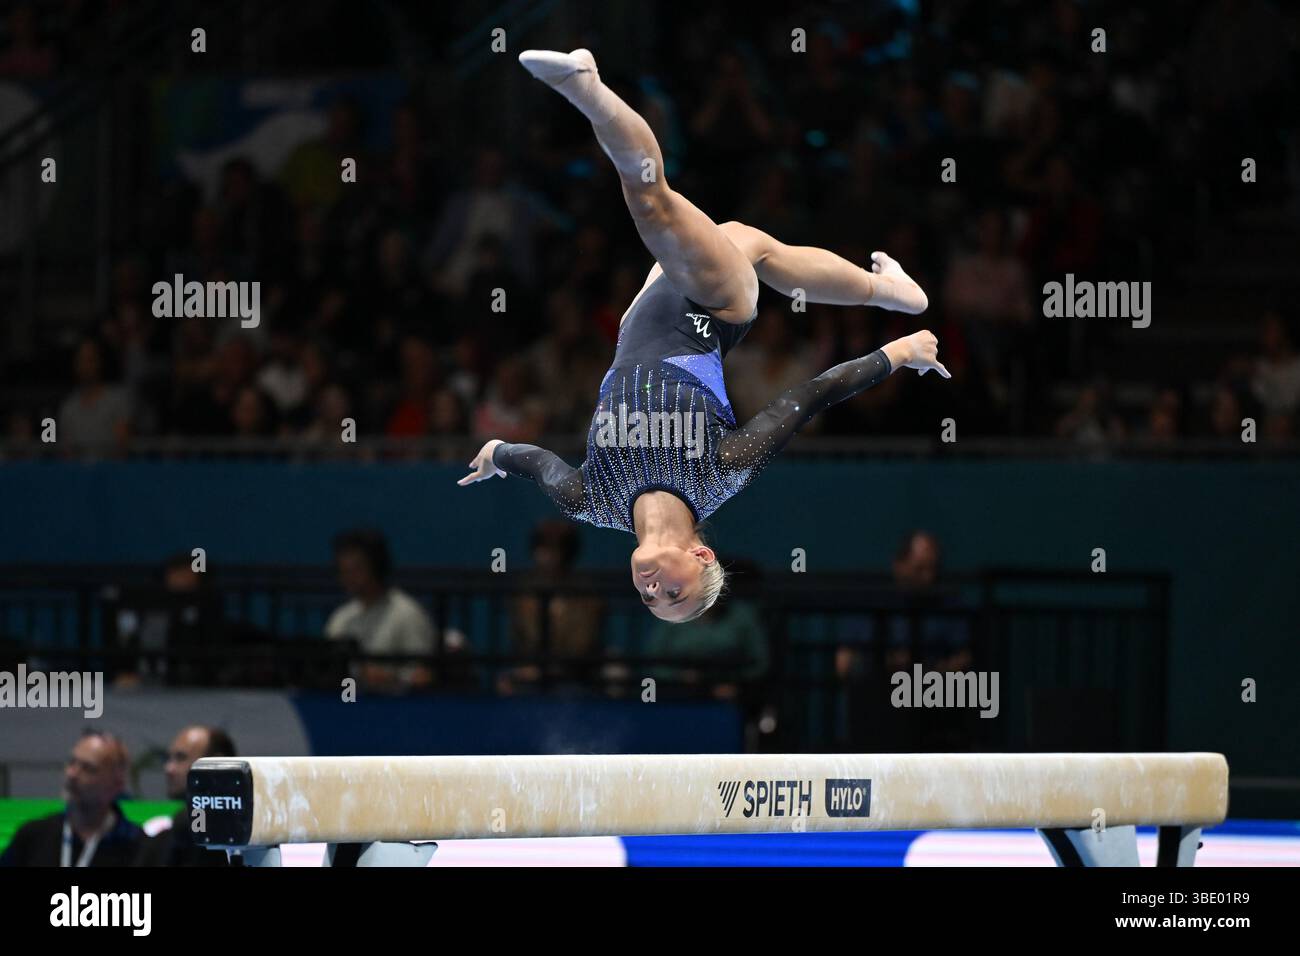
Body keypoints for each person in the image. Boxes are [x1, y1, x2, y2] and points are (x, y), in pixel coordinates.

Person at [460, 48, 948, 624]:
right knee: (652, 203)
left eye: (651, 600)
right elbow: (809, 397)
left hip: (646, 310)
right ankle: (586, 87)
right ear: (701, 554)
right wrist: (901, 351)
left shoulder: (591, 501)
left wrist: (496, 452)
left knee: (752, 242)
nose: (653, 589)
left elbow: (535, 461)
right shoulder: (721, 473)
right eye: (676, 592)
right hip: (714, 308)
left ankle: (892, 292)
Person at [0, 731, 143, 867]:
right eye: (71, 762)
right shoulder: (33, 837)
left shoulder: (138, 846)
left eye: (88, 768)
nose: (72, 774)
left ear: (116, 785)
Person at [325, 529, 437, 689]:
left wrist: (389, 678)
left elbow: (423, 675)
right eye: (344, 570)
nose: (349, 576)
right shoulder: (341, 618)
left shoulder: (407, 614)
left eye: (357, 569)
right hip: (348, 705)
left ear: (376, 566)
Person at [134, 726, 237, 867]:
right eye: (169, 758)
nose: (168, 768)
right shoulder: (160, 841)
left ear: (216, 763)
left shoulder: (249, 839)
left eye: (180, 758)